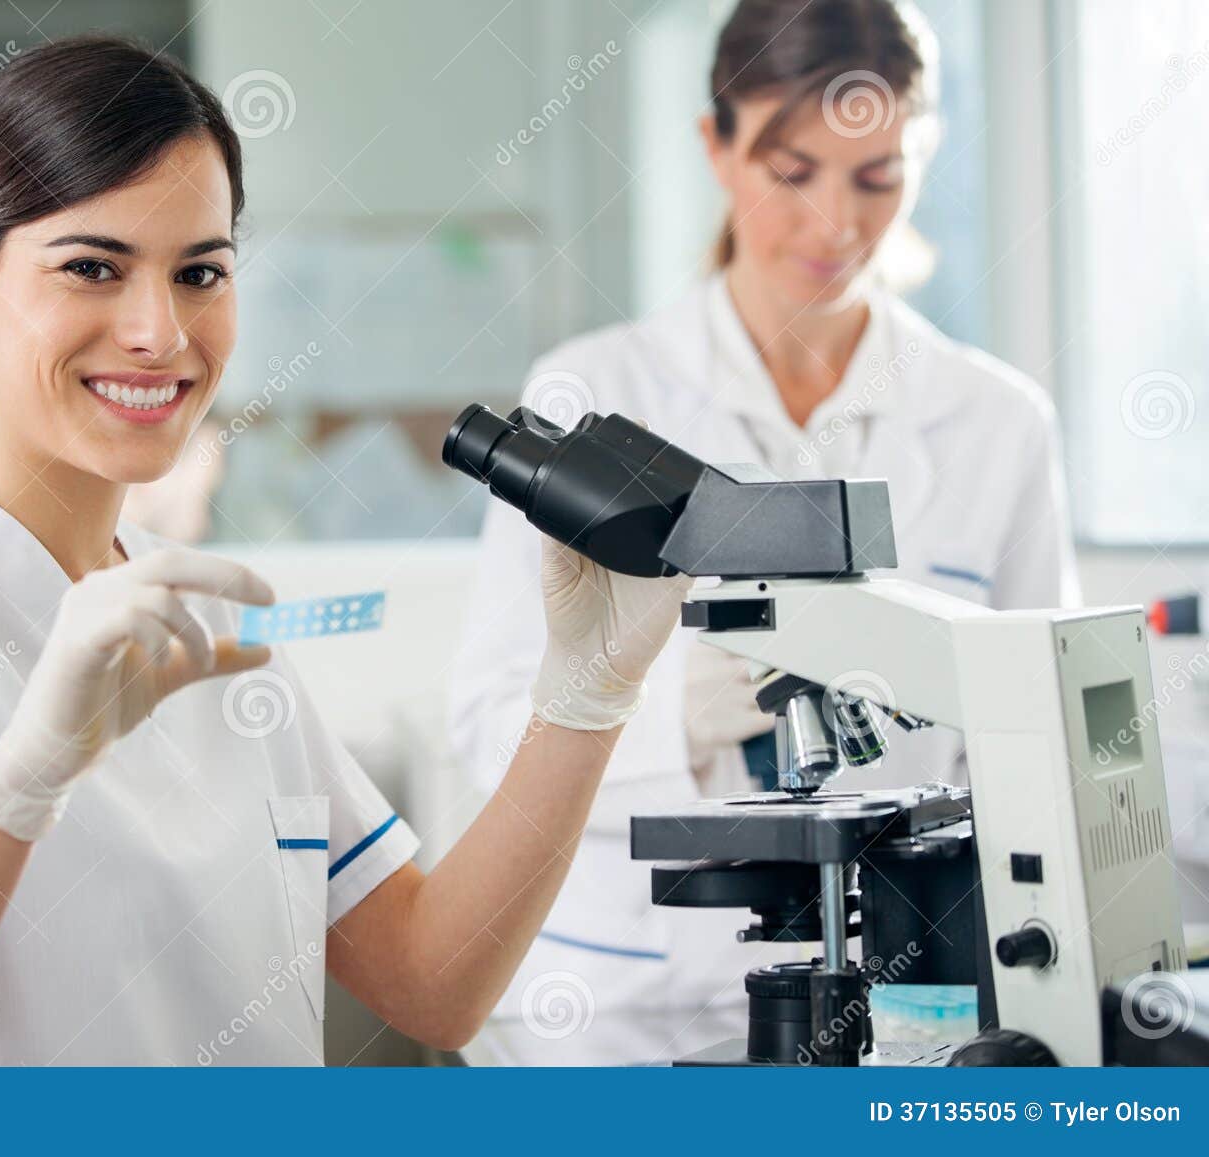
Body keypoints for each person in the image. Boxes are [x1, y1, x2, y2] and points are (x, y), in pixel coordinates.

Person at [0, 37, 693, 1066]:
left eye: (199, 272)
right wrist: (22, 779)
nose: (158, 332)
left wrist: (582, 696)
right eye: (92, 266)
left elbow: (428, 978)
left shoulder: (203, 620)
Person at [448, 0, 1080, 1066]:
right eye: (793, 171)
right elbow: (480, 731)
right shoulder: (597, 390)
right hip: (620, 1002)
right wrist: (669, 715)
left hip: (904, 998)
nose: (835, 222)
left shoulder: (997, 422)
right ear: (716, 145)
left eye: (877, 176)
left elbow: (1043, 736)